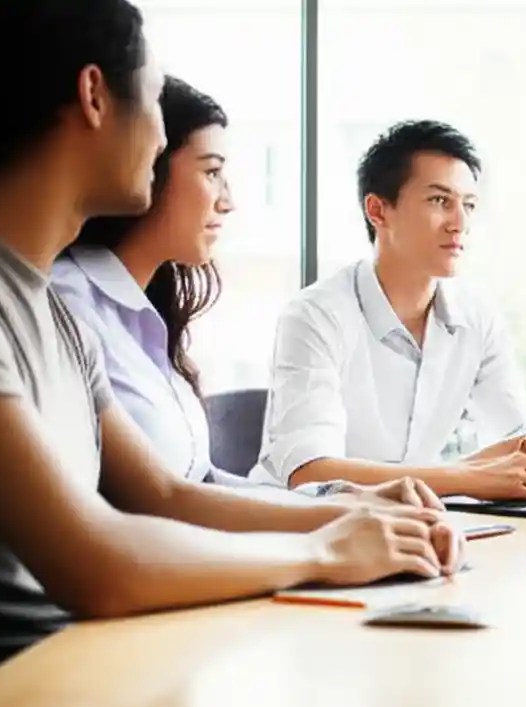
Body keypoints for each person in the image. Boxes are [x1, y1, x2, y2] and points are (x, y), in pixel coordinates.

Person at [0, 0, 460, 685]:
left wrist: (360, 515)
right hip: (22, 690)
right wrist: (328, 550)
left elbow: (162, 493)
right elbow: (95, 564)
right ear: (95, 96)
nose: (160, 140)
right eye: (156, 99)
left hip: (94, 668)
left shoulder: (51, 310)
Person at [51, 75, 410, 504]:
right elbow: (164, 503)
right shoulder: (69, 306)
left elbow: (200, 483)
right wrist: (329, 523)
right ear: (149, 164)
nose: (228, 200)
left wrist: (338, 499)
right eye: (212, 172)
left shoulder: (143, 315)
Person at [250, 120, 526, 500]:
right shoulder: (315, 315)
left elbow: (514, 442)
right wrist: (473, 479)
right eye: (440, 201)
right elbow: (311, 472)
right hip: (307, 526)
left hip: (415, 520)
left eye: (469, 205)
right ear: (378, 210)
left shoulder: (477, 315)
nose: (460, 223)